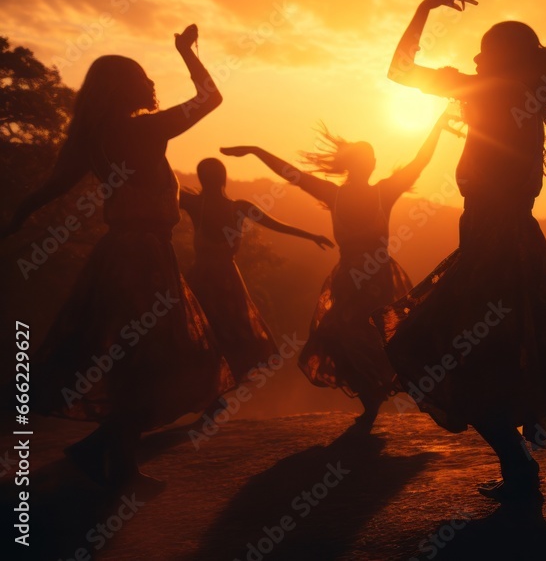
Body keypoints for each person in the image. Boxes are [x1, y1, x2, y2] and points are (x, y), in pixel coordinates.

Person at [374, 0, 546, 502]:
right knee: (483, 353)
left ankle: (518, 467)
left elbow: (399, 72)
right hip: (501, 239)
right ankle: (518, 469)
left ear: (503, 60)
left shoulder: (492, 93)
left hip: (496, 242)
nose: (473, 56)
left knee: (450, 350)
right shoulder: (516, 96)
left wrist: (423, 9)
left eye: (484, 50)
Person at [3, 25, 232, 489]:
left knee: (136, 358)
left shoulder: (95, 139)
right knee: (153, 358)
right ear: (126, 87)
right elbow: (211, 97)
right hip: (145, 257)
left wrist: (14, 220)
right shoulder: (145, 129)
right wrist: (186, 52)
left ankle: (103, 450)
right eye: (142, 76)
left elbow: (49, 189)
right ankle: (119, 464)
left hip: (117, 256)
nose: (150, 83)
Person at [221, 113, 451, 430]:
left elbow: (420, 161)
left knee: (374, 335)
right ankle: (371, 398)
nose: (371, 162)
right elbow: (292, 175)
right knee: (339, 335)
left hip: (376, 276)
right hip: (348, 278)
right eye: (367, 158)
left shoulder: (385, 192)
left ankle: (378, 396)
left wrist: (437, 126)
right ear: (355, 164)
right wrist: (257, 150)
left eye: (372, 158)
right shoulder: (334, 194)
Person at [180, 157, 333, 392]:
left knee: (206, 331)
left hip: (206, 279)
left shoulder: (199, 203)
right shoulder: (231, 206)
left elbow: (275, 224)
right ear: (224, 178)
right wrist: (311, 236)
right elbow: (276, 224)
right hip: (223, 281)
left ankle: (214, 387)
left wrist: (311, 236)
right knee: (227, 332)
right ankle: (216, 387)